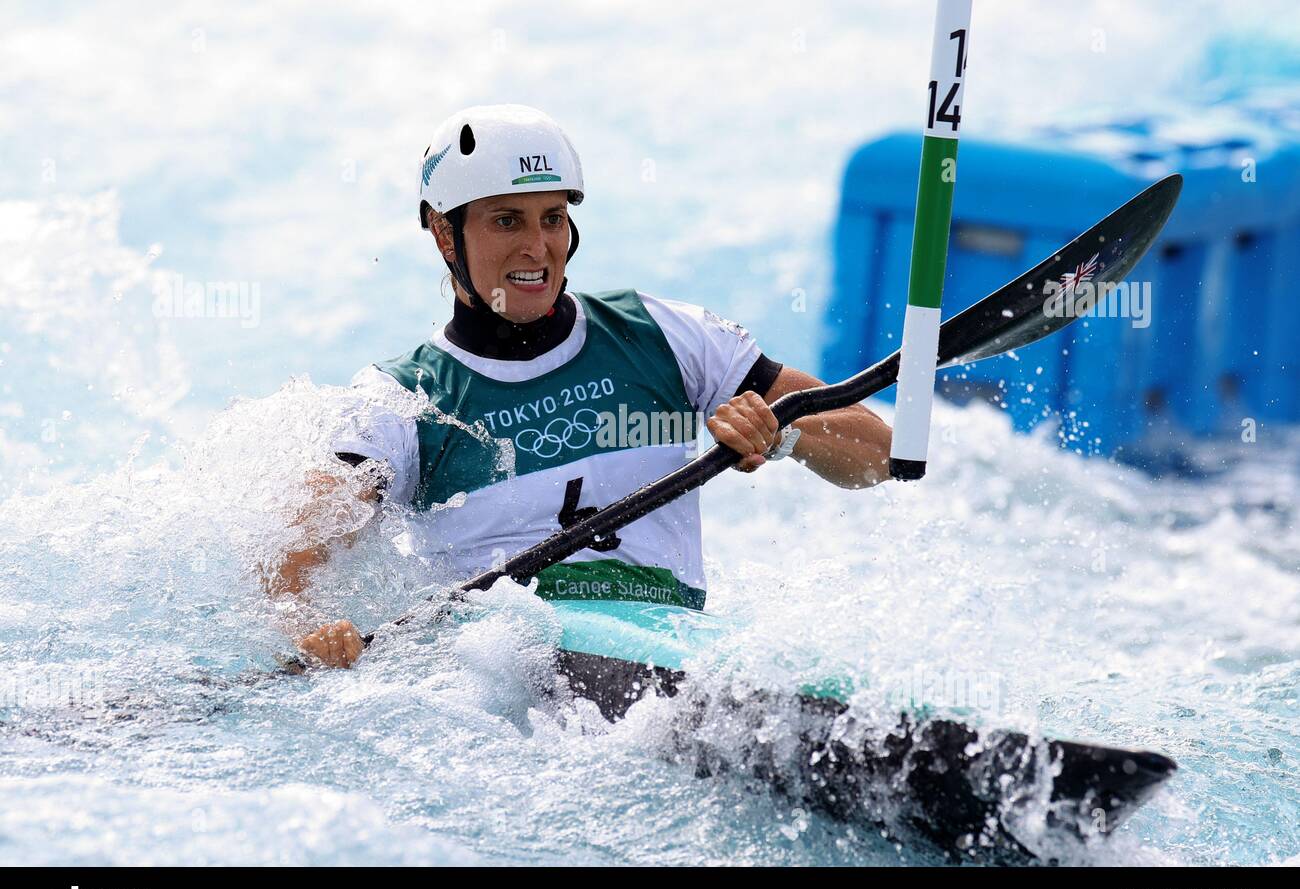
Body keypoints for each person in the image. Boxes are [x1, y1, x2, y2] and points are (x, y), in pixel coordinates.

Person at [276, 104, 893, 668]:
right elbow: (290, 561)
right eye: (506, 220)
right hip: (510, 668)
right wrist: (313, 629)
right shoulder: (397, 403)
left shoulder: (661, 334)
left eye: (553, 218)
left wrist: (780, 431)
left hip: (673, 651)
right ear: (444, 234)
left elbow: (880, 455)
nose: (537, 247)